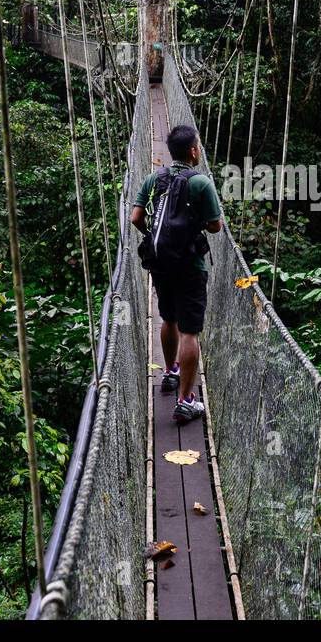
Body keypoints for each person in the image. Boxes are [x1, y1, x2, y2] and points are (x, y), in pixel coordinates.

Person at [131, 124, 223, 422]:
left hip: (160, 263)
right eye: (199, 146)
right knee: (190, 331)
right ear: (194, 151)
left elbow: (135, 217)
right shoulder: (201, 183)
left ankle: (170, 371)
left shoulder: (153, 178)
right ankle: (185, 400)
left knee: (168, 318)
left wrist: (154, 236)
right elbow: (215, 225)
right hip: (190, 265)